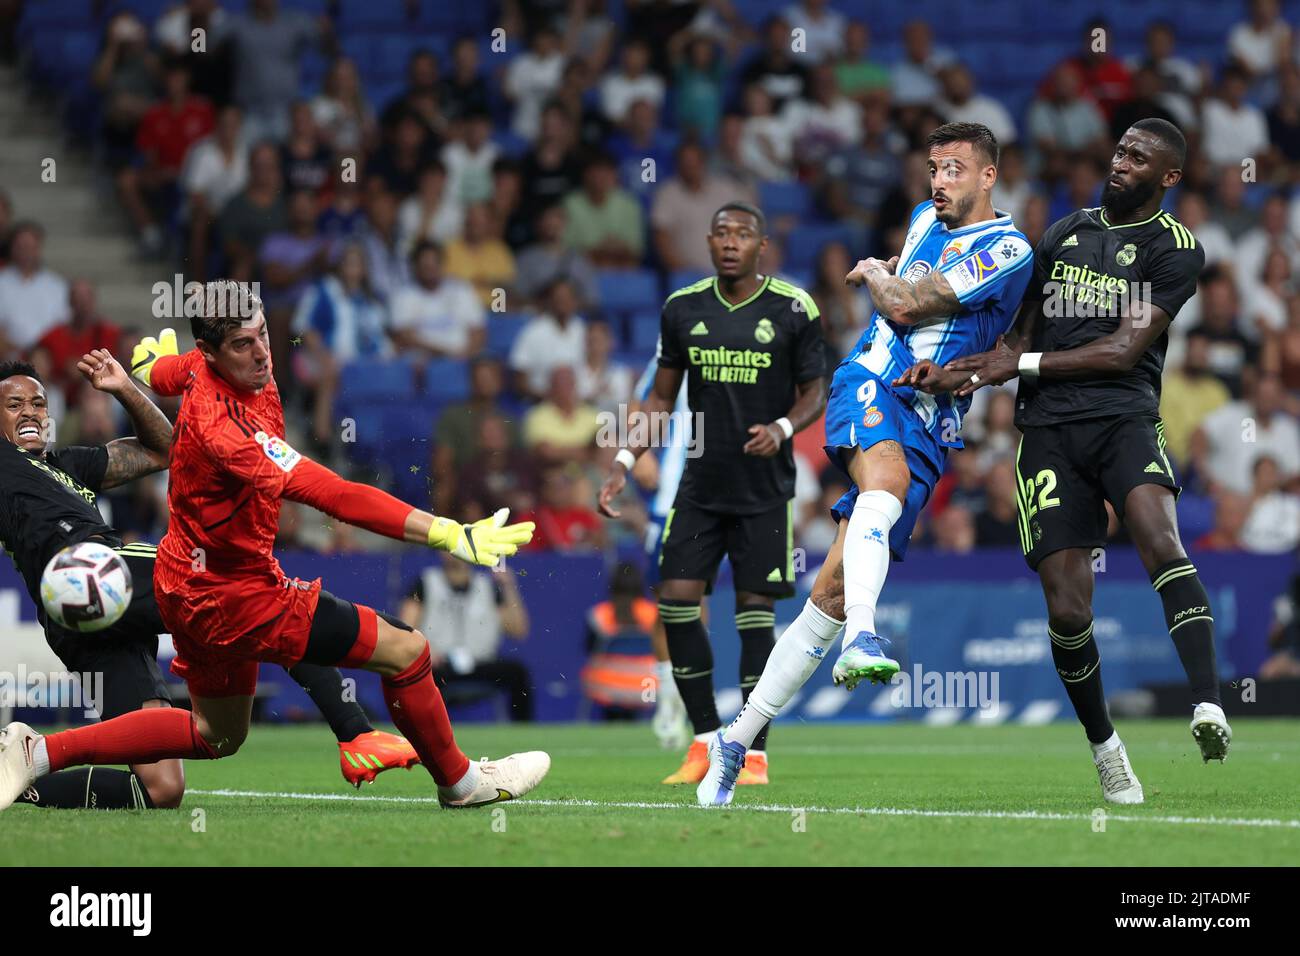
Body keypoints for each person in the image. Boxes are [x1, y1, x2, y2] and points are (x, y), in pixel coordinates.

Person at [0, 283, 548, 812]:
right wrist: (448, 532)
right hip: (236, 594)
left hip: (185, 583)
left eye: (262, 334)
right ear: (213, 353)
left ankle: (39, 752)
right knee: (408, 650)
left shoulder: (198, 365)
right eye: (243, 344)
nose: (261, 352)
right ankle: (461, 782)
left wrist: (143, 372)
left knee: (216, 734)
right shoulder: (225, 431)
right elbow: (331, 493)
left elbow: (171, 371)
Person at [696, 123, 1034, 807]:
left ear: (989, 176)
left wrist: (879, 272)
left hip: (931, 424)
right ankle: (865, 641)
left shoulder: (1006, 247)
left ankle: (735, 741)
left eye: (955, 169)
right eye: (934, 168)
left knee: (828, 594)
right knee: (884, 485)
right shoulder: (919, 219)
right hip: (873, 383)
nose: (939, 181)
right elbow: (902, 304)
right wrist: (888, 277)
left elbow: (908, 298)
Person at [947, 119, 1230, 799]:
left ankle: (1208, 703)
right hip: (1047, 431)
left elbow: (1122, 351)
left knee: (1160, 538)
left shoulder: (1175, 249)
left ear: (1168, 177)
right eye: (1120, 150)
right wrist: (979, 371)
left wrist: (1020, 364)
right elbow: (1021, 330)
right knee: (1069, 609)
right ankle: (1106, 748)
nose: (1120, 161)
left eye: (1138, 157)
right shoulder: (1064, 232)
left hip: (1123, 417)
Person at [0, 356, 416, 810]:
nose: (30, 412)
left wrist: (124, 388)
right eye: (14, 404)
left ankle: (24, 776)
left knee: (162, 789)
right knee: (251, 598)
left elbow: (164, 450)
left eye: (38, 403)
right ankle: (354, 729)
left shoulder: (67, 464)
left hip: (93, 614)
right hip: (94, 573)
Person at [598, 201, 828, 788]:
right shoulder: (683, 308)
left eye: (742, 234)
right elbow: (659, 401)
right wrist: (625, 460)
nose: (730, 243)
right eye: (721, 234)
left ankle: (751, 755)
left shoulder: (794, 308)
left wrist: (781, 429)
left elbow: (815, 392)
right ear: (708, 243)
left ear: (761, 245)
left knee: (755, 621)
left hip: (764, 492)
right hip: (697, 489)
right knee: (675, 601)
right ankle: (703, 742)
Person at [399, 552, 533, 722]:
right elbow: (406, 629)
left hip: (481, 663)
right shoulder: (425, 583)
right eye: (450, 547)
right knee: (417, 676)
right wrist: (427, 650)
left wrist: (508, 588)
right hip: (441, 664)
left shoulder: (488, 586)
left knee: (517, 673)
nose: (456, 553)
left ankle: (524, 735)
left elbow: (518, 631)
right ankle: (421, 733)